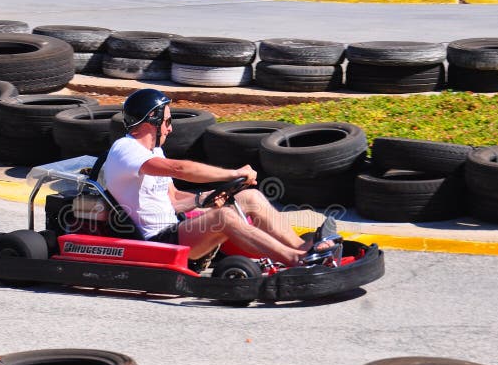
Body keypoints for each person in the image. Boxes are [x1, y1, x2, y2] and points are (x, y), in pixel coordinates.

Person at [101, 88, 339, 267]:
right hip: (158, 240)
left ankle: (303, 247)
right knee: (223, 217)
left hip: (176, 227)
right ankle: (296, 259)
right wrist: (234, 173)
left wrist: (204, 198)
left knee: (251, 198)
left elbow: (172, 200)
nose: (170, 129)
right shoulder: (126, 149)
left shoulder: (154, 151)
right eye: (167, 122)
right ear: (151, 121)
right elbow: (179, 169)